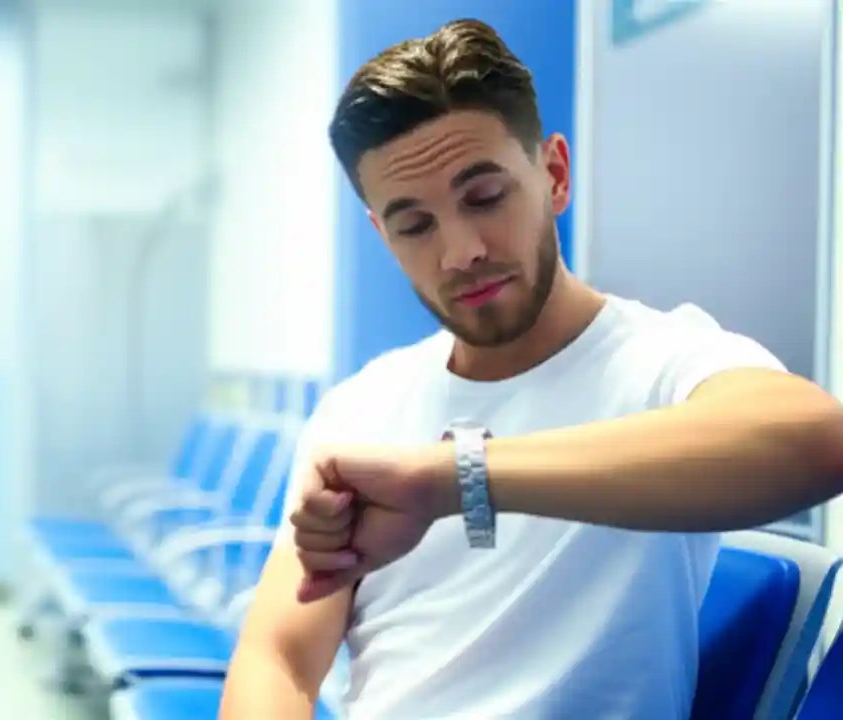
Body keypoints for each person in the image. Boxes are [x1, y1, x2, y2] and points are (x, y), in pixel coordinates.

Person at [220, 18, 843, 720]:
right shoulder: (361, 408)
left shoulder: (662, 363)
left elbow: (819, 444)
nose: (461, 252)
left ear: (554, 175)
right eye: (415, 225)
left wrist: (456, 481)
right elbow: (278, 657)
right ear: (382, 234)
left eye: (484, 197)